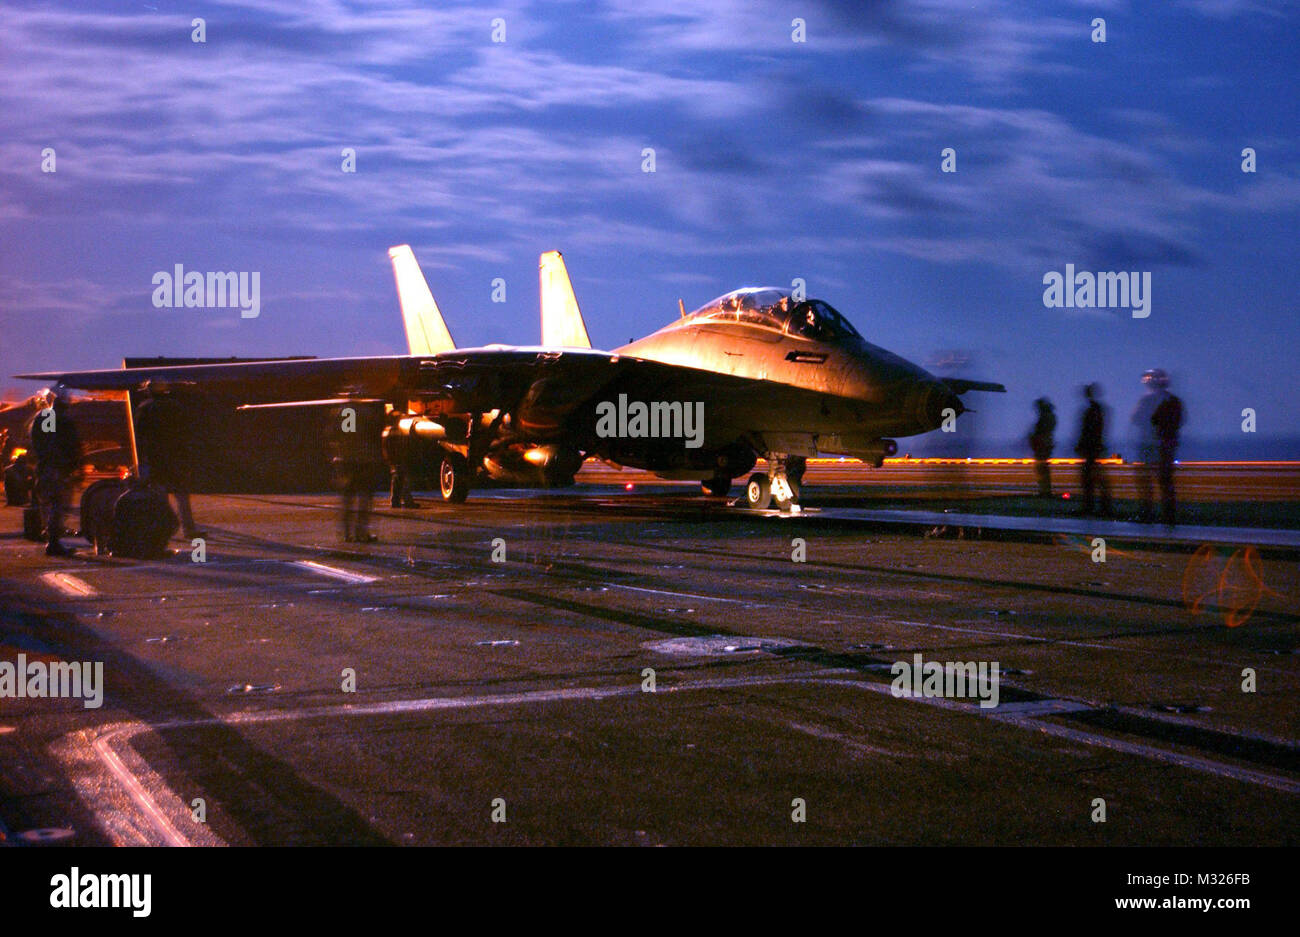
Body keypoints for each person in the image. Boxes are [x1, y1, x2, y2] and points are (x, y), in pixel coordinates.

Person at [133, 380, 203, 539]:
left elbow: (140, 435)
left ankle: (162, 530)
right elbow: (185, 432)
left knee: (160, 496)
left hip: (155, 458)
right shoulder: (175, 406)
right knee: (182, 495)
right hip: (176, 457)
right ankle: (189, 529)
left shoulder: (145, 407)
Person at [27, 389, 82, 557]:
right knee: (57, 505)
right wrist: (63, 465)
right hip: (55, 469)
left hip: (53, 468)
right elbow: (49, 445)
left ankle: (53, 540)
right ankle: (53, 542)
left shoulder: (49, 417)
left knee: (55, 505)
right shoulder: (50, 417)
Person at [1130, 368, 1182, 524]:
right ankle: (1168, 515)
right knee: (1165, 482)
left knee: (1147, 482)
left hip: (1151, 445)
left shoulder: (1147, 400)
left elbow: (1136, 418)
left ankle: (1148, 513)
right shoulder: (1173, 400)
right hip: (1164, 445)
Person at [331, 393, 386, 542]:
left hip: (345, 459)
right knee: (364, 498)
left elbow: (334, 435)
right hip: (362, 460)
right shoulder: (365, 413)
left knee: (347, 499)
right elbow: (374, 434)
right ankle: (361, 533)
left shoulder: (340, 412)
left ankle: (346, 533)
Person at [1074, 383, 1112, 516]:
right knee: (1094, 478)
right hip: (1093, 447)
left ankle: (1093, 507)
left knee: (1090, 479)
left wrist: (1082, 444)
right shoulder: (1097, 409)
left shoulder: (1093, 410)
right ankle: (1101, 506)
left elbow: (1089, 430)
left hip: (1091, 447)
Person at [382, 411, 418, 508]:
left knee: (398, 479)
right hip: (397, 458)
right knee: (400, 479)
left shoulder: (389, 430)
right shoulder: (394, 430)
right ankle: (404, 501)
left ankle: (397, 501)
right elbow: (396, 446)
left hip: (394, 458)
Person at [1028, 397, 1056, 498]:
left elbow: (1041, 431)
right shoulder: (1050, 416)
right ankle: (1045, 490)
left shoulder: (1045, 417)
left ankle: (1044, 491)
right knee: (1043, 468)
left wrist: (1034, 438)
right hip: (1045, 444)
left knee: (1041, 468)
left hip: (1042, 445)